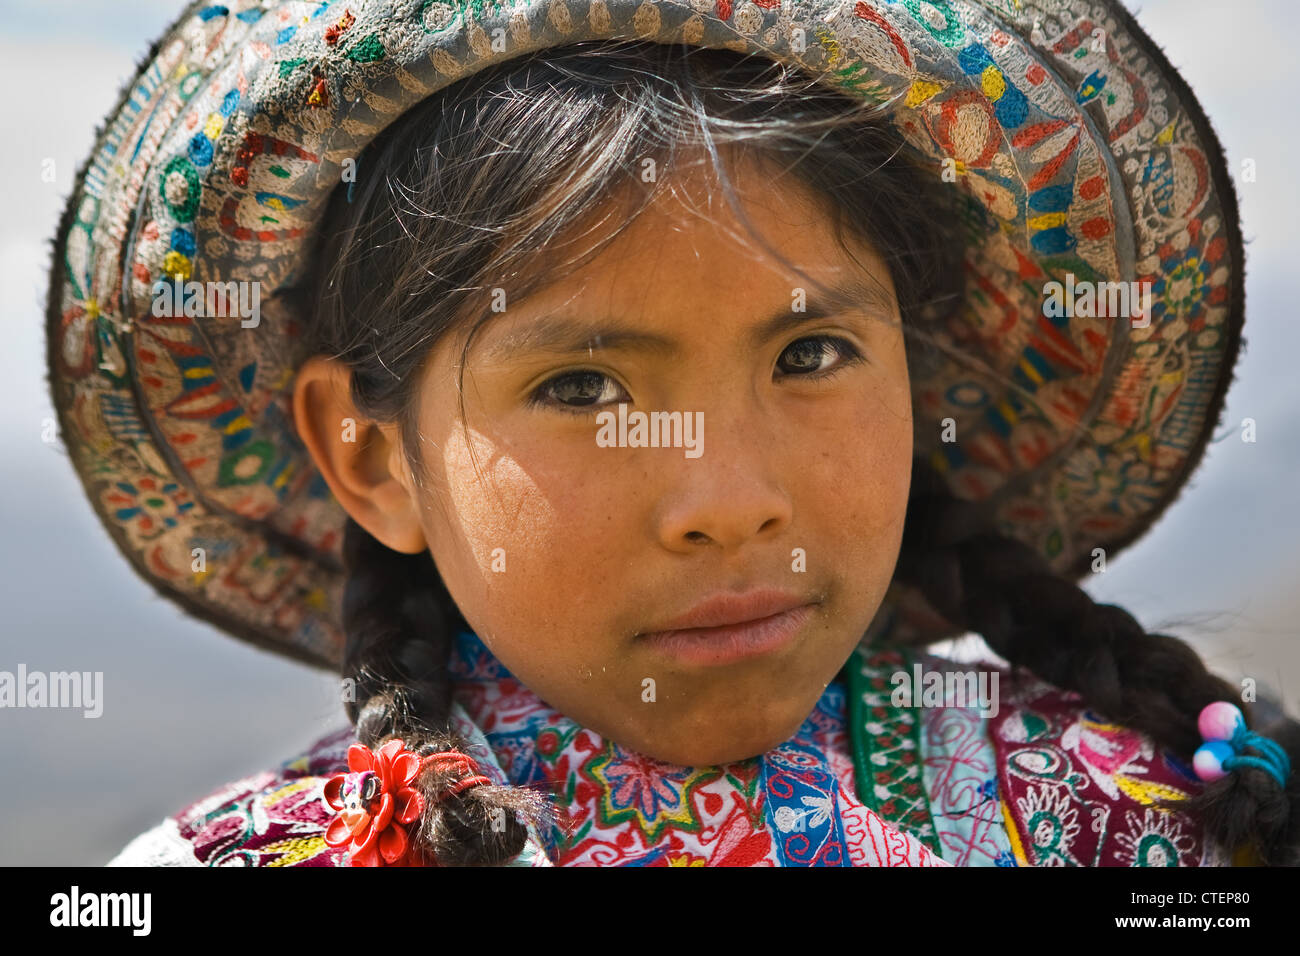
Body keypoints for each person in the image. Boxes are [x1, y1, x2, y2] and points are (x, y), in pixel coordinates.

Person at [47, 0, 1295, 867]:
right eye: (584, 387)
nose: (726, 496)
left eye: (809, 354)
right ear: (371, 455)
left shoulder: (1151, 824)